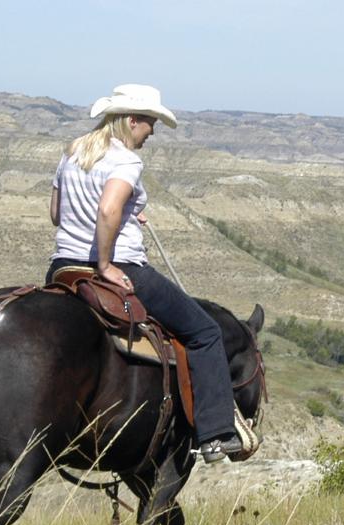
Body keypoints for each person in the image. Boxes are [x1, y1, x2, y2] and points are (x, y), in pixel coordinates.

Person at [47, 84, 243, 462]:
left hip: (64, 266)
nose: (151, 131)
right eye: (150, 123)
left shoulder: (72, 152)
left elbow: (58, 212)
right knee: (204, 332)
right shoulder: (126, 161)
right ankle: (215, 433)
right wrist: (105, 264)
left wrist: (126, 212)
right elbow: (106, 210)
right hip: (120, 265)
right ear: (132, 120)